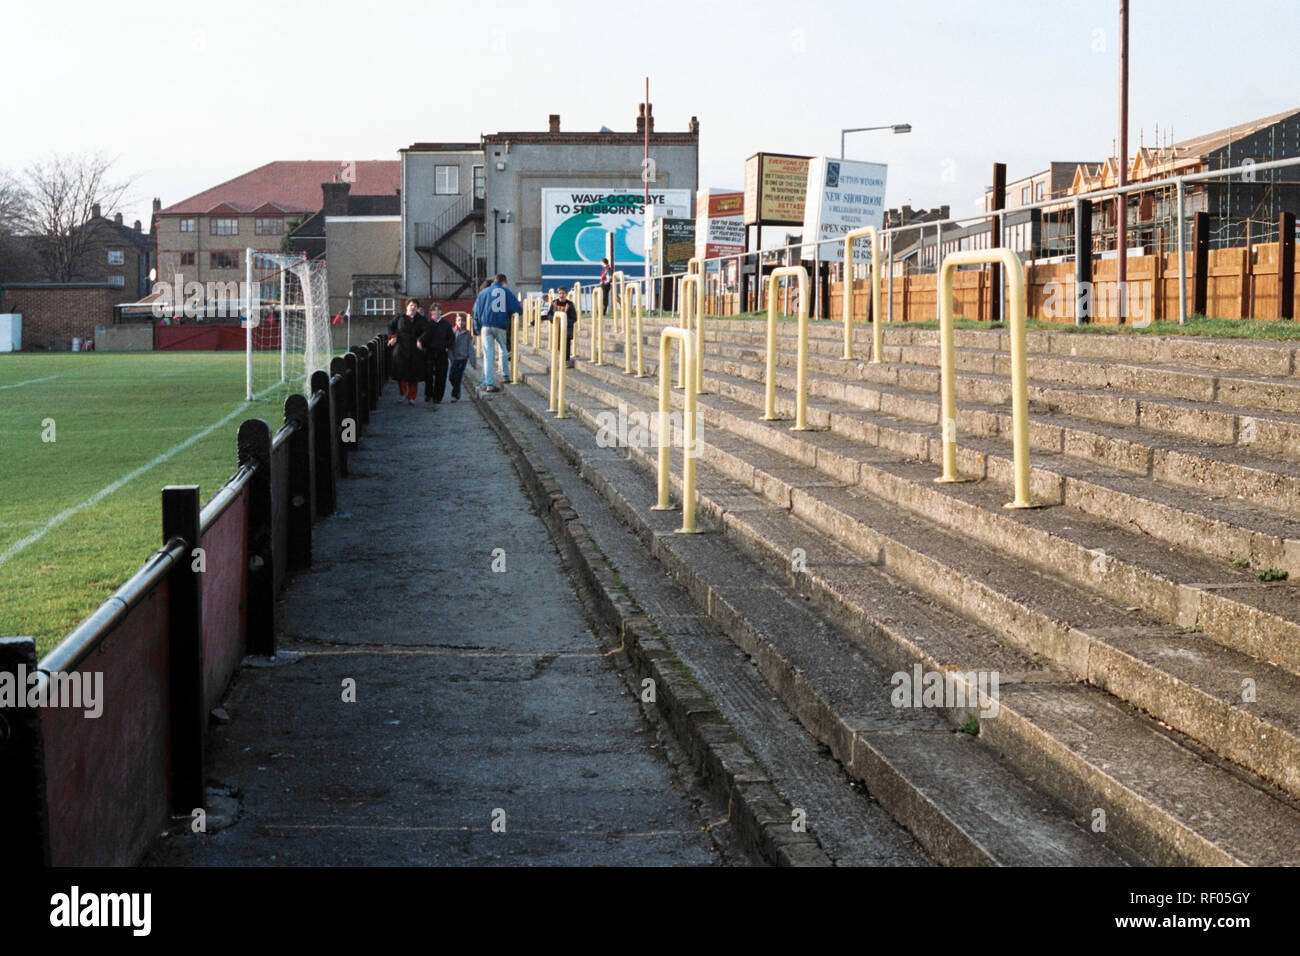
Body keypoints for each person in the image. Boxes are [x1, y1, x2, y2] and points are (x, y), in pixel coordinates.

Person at [472, 273, 521, 393]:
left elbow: (476, 312)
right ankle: (505, 375)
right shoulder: (506, 292)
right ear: (504, 282)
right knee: (503, 349)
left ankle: (489, 383)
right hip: (501, 325)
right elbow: (518, 309)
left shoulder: (483, 292)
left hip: (486, 326)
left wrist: (477, 328)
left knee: (488, 355)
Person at [388, 299, 428, 405]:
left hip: (415, 349)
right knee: (401, 373)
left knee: (414, 374)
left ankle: (412, 397)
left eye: (415, 306)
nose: (413, 307)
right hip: (401, 348)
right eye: (411, 305)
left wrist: (420, 340)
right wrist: (393, 337)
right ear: (407, 307)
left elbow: (427, 331)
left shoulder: (421, 319)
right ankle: (402, 394)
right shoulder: (400, 317)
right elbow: (391, 326)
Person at [420, 303, 455, 403]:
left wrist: (446, 346)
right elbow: (423, 337)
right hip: (430, 352)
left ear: (441, 311)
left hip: (441, 352)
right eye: (434, 310)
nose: (436, 312)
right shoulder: (428, 324)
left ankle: (438, 397)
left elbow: (451, 339)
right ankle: (428, 394)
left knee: (441, 375)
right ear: (431, 312)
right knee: (428, 375)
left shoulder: (446, 325)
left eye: (438, 310)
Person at [542, 285, 579, 369]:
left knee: (566, 344)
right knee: (558, 344)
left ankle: (566, 360)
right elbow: (549, 314)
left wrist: (566, 322)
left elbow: (574, 318)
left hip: (567, 328)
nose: (561, 295)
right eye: (560, 293)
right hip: (557, 327)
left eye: (563, 293)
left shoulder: (570, 304)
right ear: (557, 294)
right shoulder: (554, 303)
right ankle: (560, 358)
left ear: (566, 294)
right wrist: (553, 319)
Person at [448, 313, 476, 401]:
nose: (461, 322)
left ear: (465, 322)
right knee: (451, 376)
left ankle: (454, 395)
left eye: (462, 320)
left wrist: (473, 362)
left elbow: (470, 348)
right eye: (459, 320)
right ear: (456, 321)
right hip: (454, 358)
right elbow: (449, 346)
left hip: (463, 358)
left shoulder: (467, 334)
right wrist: (451, 357)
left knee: (458, 377)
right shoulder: (452, 332)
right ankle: (457, 390)